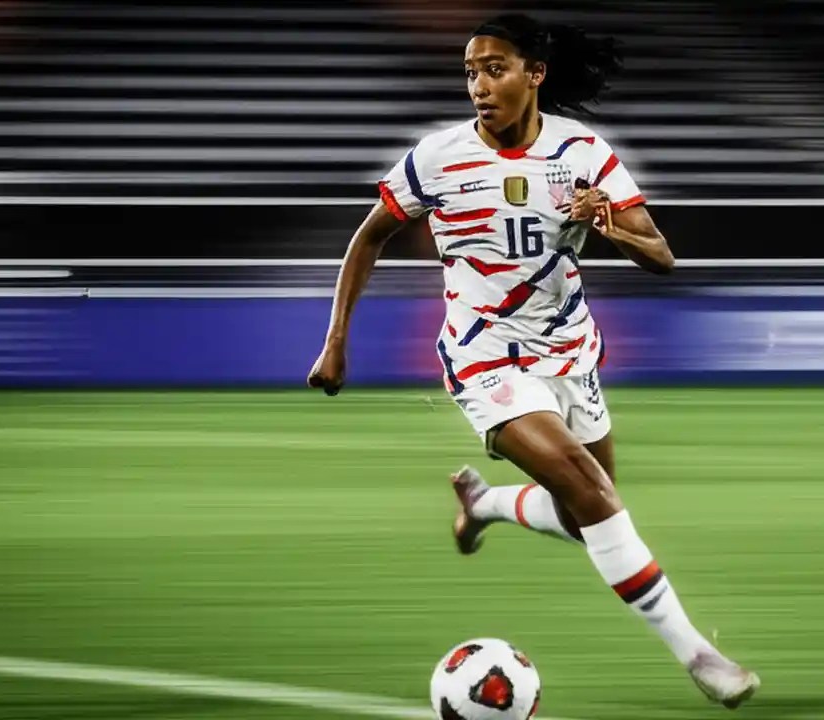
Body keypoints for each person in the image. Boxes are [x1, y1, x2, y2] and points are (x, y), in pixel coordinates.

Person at [307, 12, 759, 708]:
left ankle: (485, 504)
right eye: (470, 72)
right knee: (589, 487)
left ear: (534, 75)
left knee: (588, 514)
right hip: (484, 357)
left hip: (570, 352)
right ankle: (699, 654)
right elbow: (368, 239)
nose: (479, 86)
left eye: (494, 69)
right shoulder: (438, 157)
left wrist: (606, 222)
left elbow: (662, 255)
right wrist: (336, 339)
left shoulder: (584, 153)